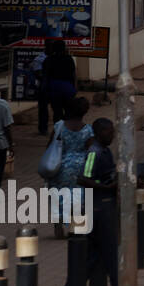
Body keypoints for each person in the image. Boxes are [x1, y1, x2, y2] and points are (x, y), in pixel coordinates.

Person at [77, 116, 119, 286]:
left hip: (104, 205)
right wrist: (106, 187)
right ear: (99, 133)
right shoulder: (94, 153)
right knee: (109, 250)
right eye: (108, 132)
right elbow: (84, 178)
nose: (112, 135)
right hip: (97, 207)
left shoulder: (105, 151)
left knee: (94, 253)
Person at [47, 96, 92, 241]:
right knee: (79, 196)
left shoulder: (59, 126)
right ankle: (77, 226)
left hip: (59, 166)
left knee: (58, 194)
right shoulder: (88, 130)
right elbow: (91, 152)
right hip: (80, 168)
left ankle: (58, 222)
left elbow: (50, 145)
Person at [42, 40, 78, 124]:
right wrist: (75, 87)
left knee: (57, 112)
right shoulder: (69, 59)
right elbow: (74, 74)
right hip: (68, 88)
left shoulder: (49, 59)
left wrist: (45, 89)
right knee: (69, 111)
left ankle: (58, 132)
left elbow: (45, 76)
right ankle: (68, 130)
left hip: (54, 88)